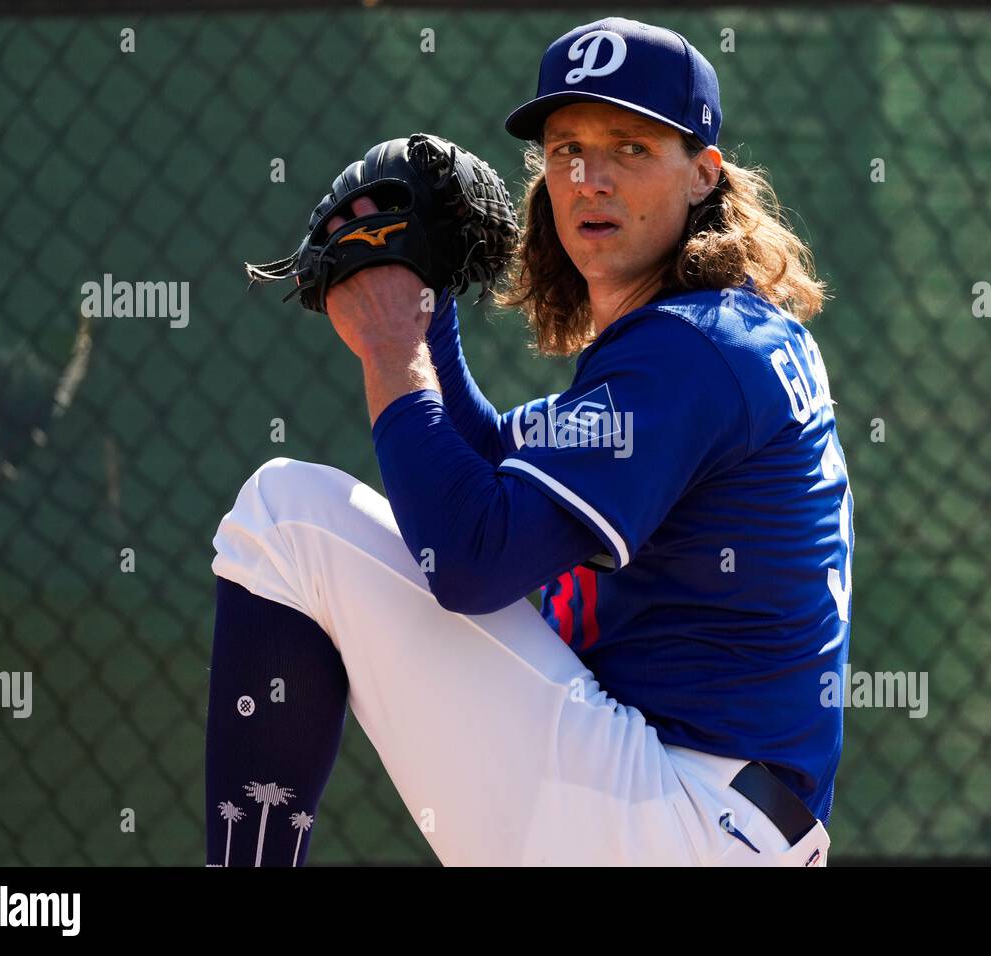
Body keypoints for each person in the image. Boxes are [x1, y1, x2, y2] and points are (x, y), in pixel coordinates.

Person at [205, 15, 853, 867]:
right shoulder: (718, 331)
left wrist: (393, 347)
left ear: (703, 174)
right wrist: (427, 311)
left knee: (285, 520)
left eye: (630, 147)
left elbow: (470, 561)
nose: (591, 178)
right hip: (706, 820)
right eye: (566, 149)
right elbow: (492, 472)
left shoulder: (691, 353)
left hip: (680, 817)